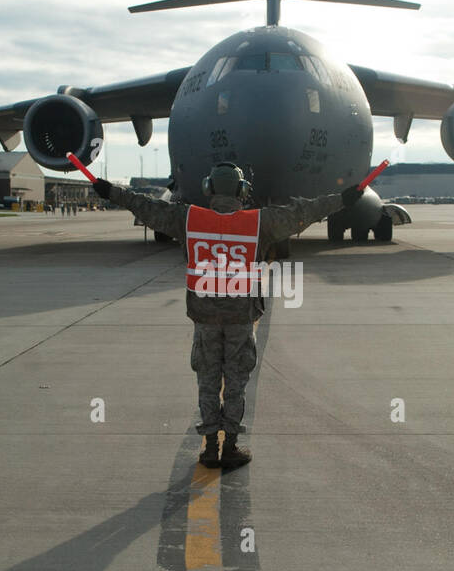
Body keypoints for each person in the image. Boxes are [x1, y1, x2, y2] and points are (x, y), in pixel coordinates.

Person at [94, 163, 360, 469]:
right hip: (240, 316)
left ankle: (209, 447)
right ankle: (231, 445)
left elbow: (147, 207)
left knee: (207, 380)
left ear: (209, 188)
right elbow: (304, 211)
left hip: (204, 316)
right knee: (236, 381)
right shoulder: (260, 222)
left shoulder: (189, 219)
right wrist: (344, 198)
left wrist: (111, 192)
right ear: (242, 191)